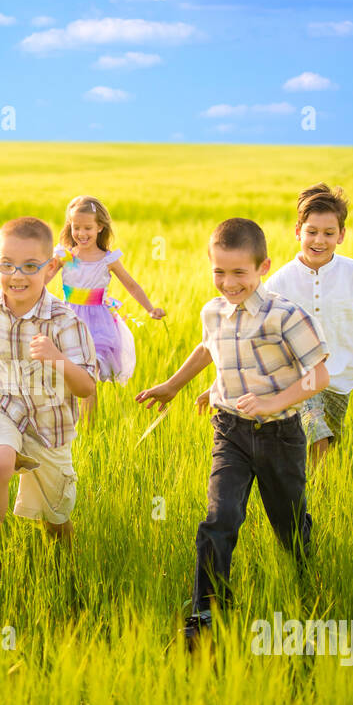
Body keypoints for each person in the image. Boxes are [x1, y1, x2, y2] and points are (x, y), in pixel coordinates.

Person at [135, 218, 329, 651]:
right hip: (230, 432)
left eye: (239, 272)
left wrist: (272, 402)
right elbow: (210, 347)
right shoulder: (212, 310)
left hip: (280, 435)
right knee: (219, 517)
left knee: (289, 523)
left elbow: (319, 374)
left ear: (264, 267)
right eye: (219, 272)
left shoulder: (285, 315)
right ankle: (207, 611)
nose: (228, 282)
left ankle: (309, 584)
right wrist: (175, 385)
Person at [0, 217, 98, 594]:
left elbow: (85, 387)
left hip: (49, 428)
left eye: (30, 266)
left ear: (49, 268)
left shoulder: (65, 322)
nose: (17, 275)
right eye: (7, 265)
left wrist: (56, 359)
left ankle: (68, 571)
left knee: (55, 518)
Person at [260, 183, 353, 467]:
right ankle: (320, 491)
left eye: (329, 233)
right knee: (314, 430)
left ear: (341, 235)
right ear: (297, 232)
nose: (319, 240)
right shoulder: (280, 282)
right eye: (312, 232)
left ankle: (314, 489)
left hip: (342, 377)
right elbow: (263, 333)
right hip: (299, 375)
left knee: (325, 439)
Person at [53, 195, 164, 423]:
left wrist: (150, 308)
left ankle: (88, 427)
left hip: (97, 322)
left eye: (88, 228)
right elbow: (42, 278)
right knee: (66, 374)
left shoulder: (108, 259)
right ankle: (67, 425)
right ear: (69, 227)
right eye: (76, 227)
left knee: (88, 373)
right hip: (67, 319)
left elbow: (131, 285)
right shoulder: (66, 255)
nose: (81, 233)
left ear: (100, 227)